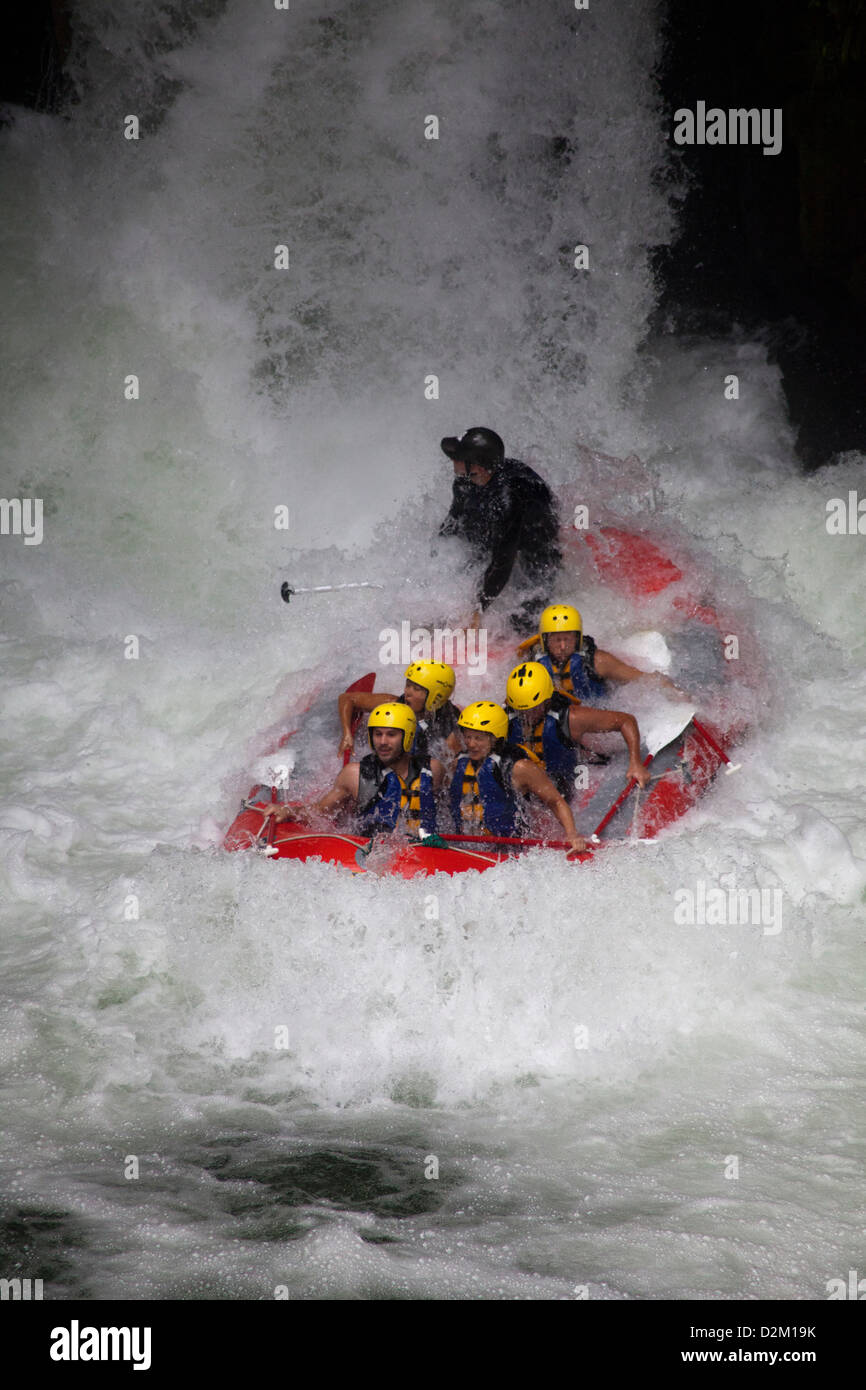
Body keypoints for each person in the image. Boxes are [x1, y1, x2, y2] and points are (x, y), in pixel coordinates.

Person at [438, 427, 562, 634]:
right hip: (497, 526)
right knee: (470, 554)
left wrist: (478, 609)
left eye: (457, 457)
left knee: (525, 618)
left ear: (477, 466)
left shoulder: (512, 495)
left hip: (535, 538)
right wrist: (437, 556)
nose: (452, 461)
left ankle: (522, 632)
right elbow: (453, 522)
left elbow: (504, 559)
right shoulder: (464, 480)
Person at [264, 703, 445, 836]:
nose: (382, 742)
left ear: (408, 736)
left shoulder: (433, 770)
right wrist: (288, 811)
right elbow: (321, 812)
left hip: (423, 852)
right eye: (377, 734)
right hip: (372, 854)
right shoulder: (354, 774)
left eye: (391, 735)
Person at [450, 701, 586, 854]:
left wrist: (572, 835)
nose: (471, 744)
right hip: (466, 848)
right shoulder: (459, 763)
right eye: (467, 737)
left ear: (495, 739)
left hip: (510, 850)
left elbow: (556, 801)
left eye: (478, 738)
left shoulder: (519, 768)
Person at [505, 661, 651, 794]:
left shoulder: (572, 718)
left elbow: (626, 721)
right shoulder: (503, 721)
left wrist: (635, 763)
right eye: (521, 710)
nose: (527, 715)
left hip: (567, 783)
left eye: (533, 708)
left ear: (547, 699)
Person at [528, 604, 685, 698]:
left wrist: (678, 695)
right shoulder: (535, 666)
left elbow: (644, 679)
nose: (562, 646)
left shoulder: (597, 661)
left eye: (567, 639)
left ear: (577, 639)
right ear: (545, 640)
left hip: (595, 721)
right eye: (557, 640)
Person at [338, 660, 461, 759]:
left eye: (416, 689)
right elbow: (347, 699)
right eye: (408, 685)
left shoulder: (451, 730)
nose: (407, 693)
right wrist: (347, 733)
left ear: (435, 697)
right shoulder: (395, 703)